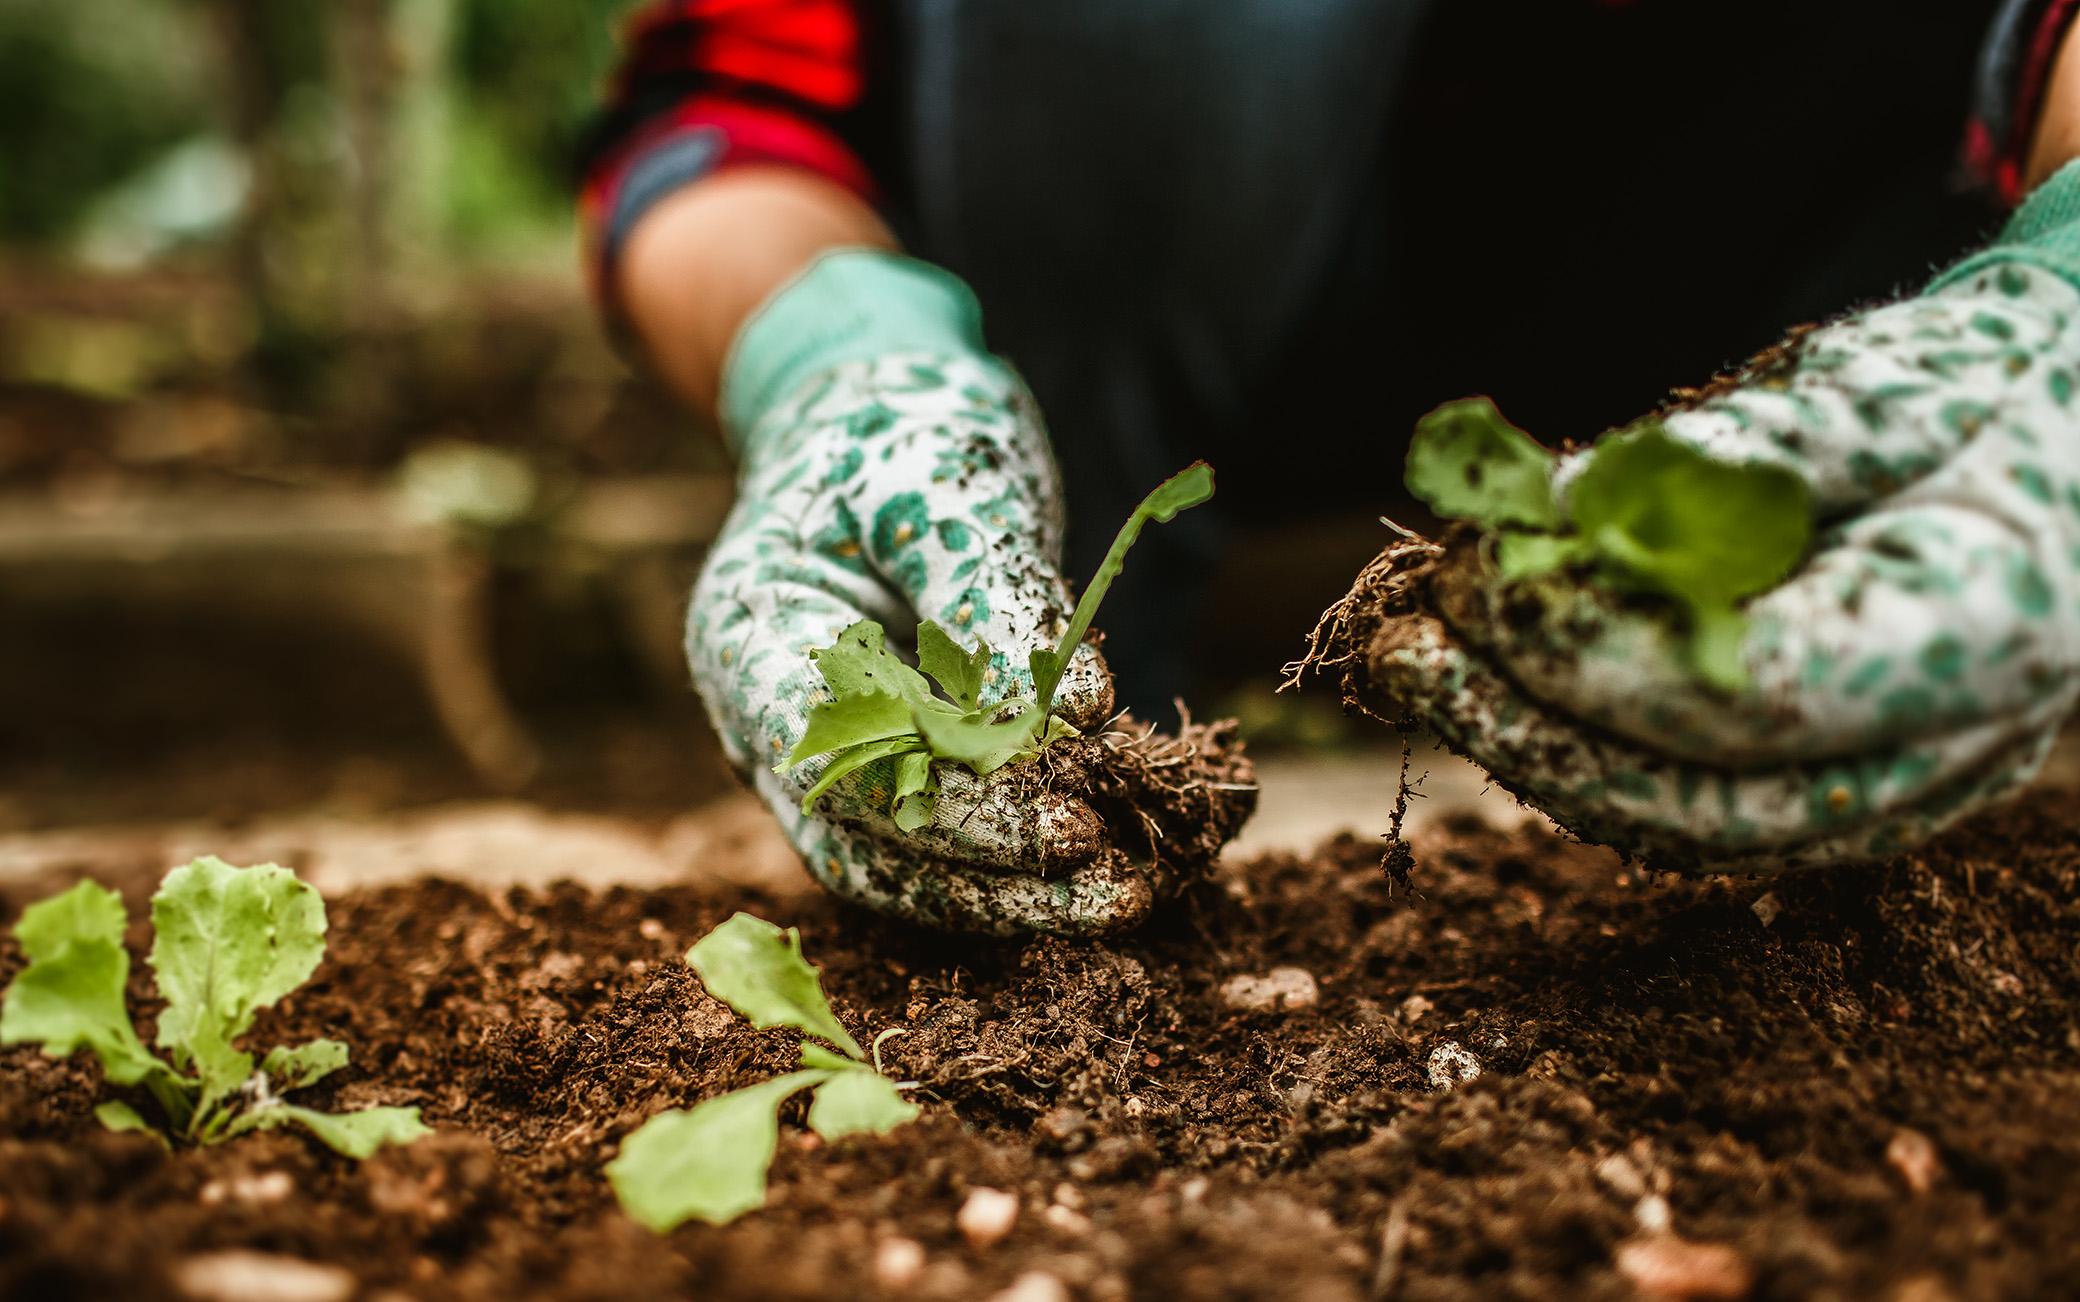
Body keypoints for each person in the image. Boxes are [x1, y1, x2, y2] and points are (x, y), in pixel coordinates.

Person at [577, 0, 2080, 932]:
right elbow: (719, 117)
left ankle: (1806, 594)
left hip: (1809, 253)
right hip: (1152, 287)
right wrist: (836, 355)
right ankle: (1089, 728)